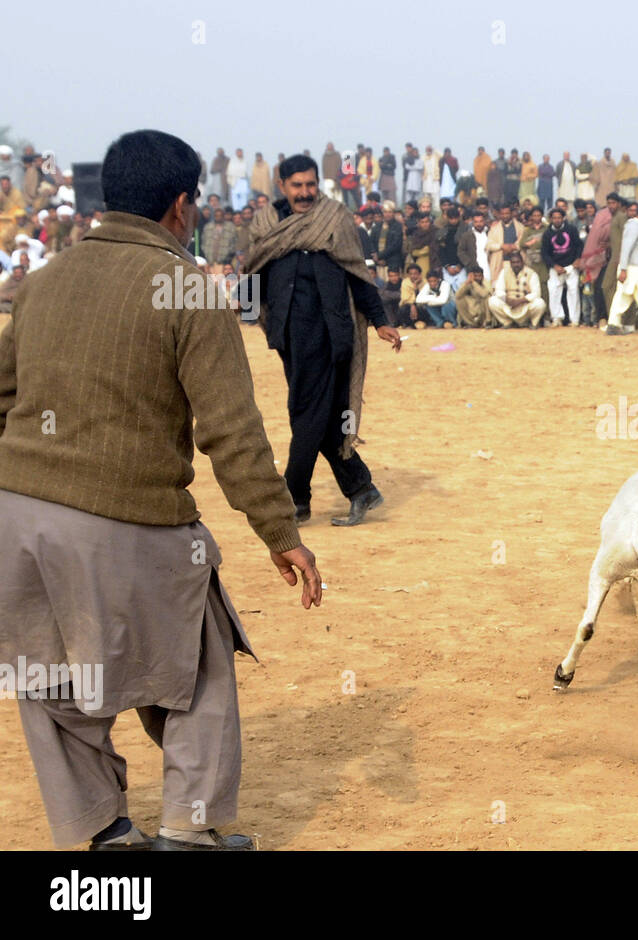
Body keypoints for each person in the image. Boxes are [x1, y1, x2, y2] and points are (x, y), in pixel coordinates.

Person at [0, 128, 323, 852]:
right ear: (181, 207)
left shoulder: (42, 282)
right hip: (131, 517)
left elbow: (1, 401)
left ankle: (102, 833)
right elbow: (232, 434)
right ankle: (191, 830)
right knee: (198, 664)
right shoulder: (189, 292)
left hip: (17, 516)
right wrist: (283, 535)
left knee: (51, 683)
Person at [245, 154, 403, 527]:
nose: (305, 193)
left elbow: (356, 273)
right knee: (323, 418)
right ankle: (361, 488)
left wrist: (380, 320)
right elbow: (254, 270)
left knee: (307, 417)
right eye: (297, 185)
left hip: (331, 335)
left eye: (311, 185)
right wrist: (247, 312)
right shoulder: (266, 223)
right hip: (288, 336)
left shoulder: (334, 219)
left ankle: (293, 499)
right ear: (281, 186)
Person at [605, 203, 638, 335]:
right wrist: (623, 269)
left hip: (635, 267)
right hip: (632, 268)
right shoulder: (634, 227)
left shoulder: (634, 226)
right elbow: (626, 249)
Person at [489, 252, 545, 328]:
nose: (516, 264)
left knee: (540, 303)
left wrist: (521, 300)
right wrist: (506, 299)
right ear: (510, 263)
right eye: (513, 262)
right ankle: (507, 323)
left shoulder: (531, 273)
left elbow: (536, 293)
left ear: (522, 262)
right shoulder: (504, 272)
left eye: (518, 262)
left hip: (525, 306)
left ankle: (533, 323)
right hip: (509, 305)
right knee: (492, 300)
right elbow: (498, 290)